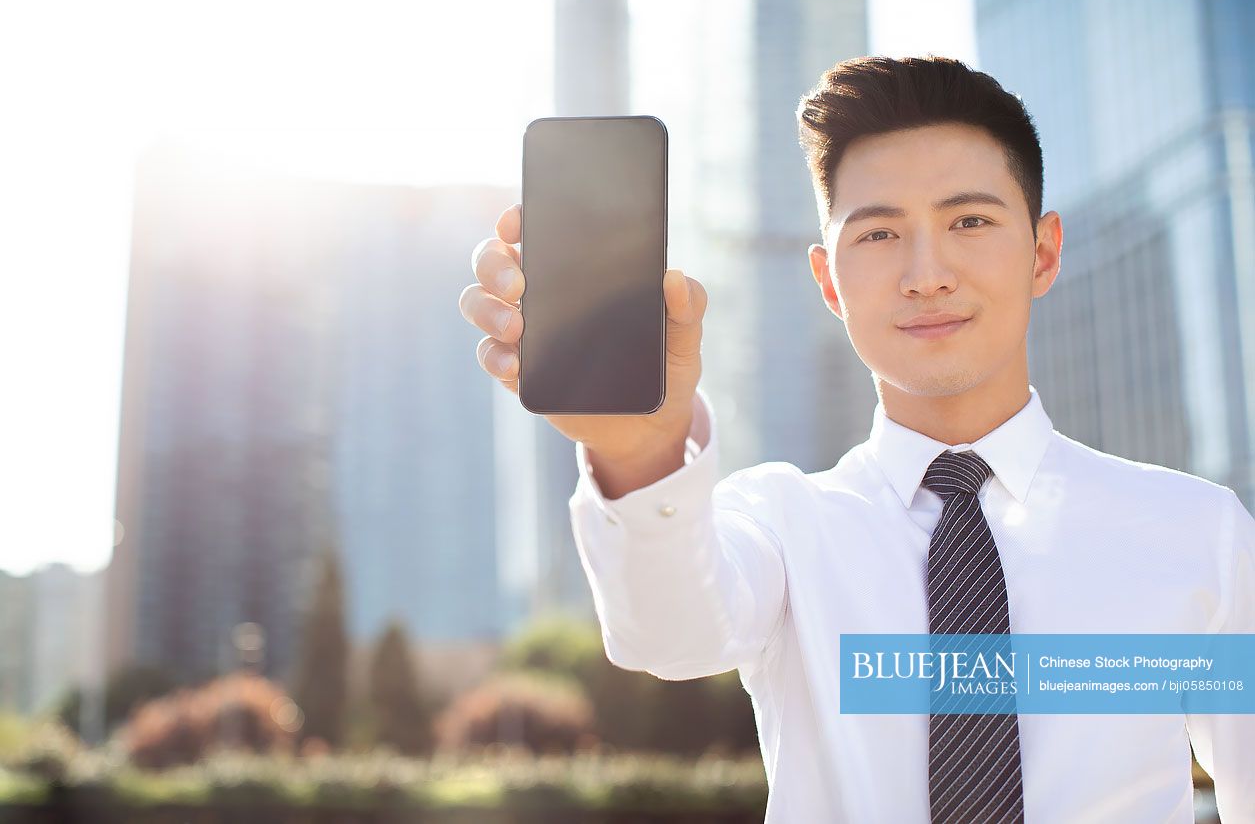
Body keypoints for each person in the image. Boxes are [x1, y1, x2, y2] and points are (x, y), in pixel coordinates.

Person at [461, 55, 1254, 823]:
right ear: (827, 280)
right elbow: (667, 634)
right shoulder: (780, 523)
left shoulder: (1194, 530)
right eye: (877, 235)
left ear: (1042, 251)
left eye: (969, 221)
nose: (926, 272)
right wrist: (638, 456)